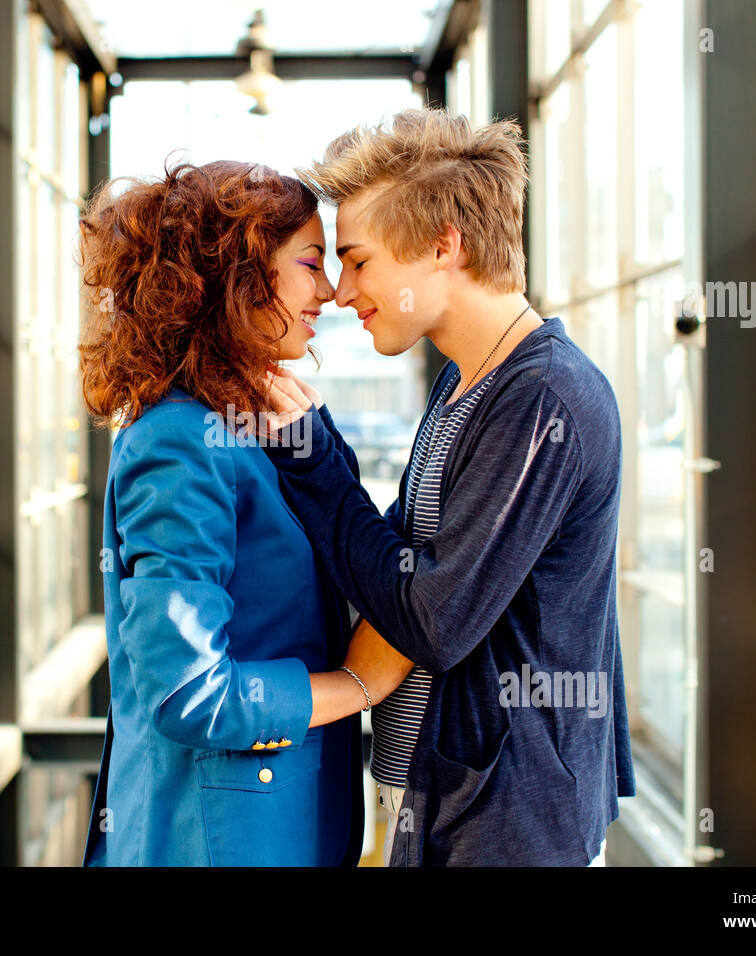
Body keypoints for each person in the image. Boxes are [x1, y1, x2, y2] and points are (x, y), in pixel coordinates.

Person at [259, 109, 636, 866]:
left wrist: (313, 461)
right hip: (442, 805)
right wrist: (316, 443)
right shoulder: (467, 381)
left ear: (443, 247)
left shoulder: (543, 400)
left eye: (359, 261)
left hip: (504, 827)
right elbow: (394, 553)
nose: (341, 292)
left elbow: (435, 618)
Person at [78, 159, 411, 867]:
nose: (329, 291)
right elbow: (192, 694)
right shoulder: (177, 442)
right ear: (242, 276)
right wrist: (358, 686)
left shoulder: (261, 420)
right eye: (312, 263)